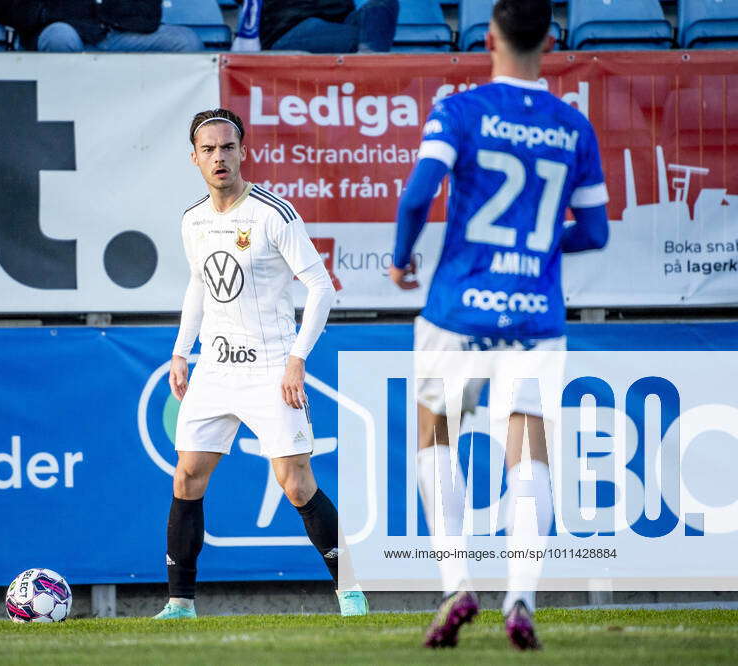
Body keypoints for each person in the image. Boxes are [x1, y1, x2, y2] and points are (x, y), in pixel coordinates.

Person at [389, 0, 609, 651]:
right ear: (553, 37)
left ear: (487, 38)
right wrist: (537, 249)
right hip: (535, 314)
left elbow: (415, 196)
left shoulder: (459, 110)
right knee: (527, 448)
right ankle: (522, 595)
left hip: (458, 308)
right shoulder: (574, 125)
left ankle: (457, 583)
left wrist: (402, 260)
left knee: (434, 431)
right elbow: (594, 231)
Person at [156, 108, 367, 620]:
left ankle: (352, 591)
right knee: (187, 477)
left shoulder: (274, 213)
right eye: (208, 150)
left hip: (272, 367)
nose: (219, 157)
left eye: (227, 147)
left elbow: (320, 288)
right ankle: (180, 603)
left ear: (243, 151)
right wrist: (182, 350)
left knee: (295, 483)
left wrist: (297, 360)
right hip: (215, 368)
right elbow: (199, 286)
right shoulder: (193, 220)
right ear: (194, 159)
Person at [0, 0, 203, 53]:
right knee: (61, 36)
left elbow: (149, 9)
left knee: (185, 41)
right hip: (58, 27)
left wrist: (112, 19)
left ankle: (178, 131)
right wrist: (45, 14)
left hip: (121, 31)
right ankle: (66, 113)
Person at [261, 0, 398, 53]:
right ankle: (372, 71)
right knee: (371, 38)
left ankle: (370, 63)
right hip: (289, 31)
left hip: (338, 27)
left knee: (384, 5)